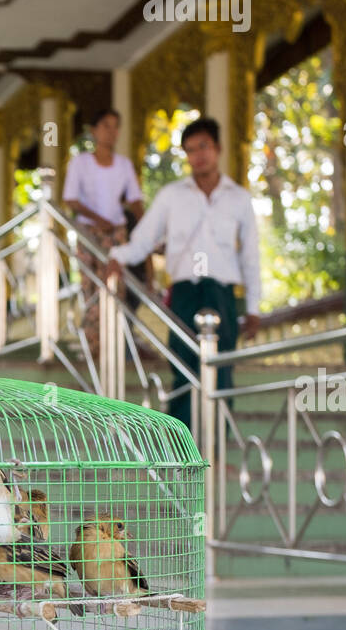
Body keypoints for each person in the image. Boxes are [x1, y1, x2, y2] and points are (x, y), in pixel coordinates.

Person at [107, 116, 261, 430]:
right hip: (184, 293)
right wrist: (116, 257)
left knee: (221, 369)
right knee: (182, 367)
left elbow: (251, 256)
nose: (198, 155)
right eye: (190, 150)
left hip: (221, 293)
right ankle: (183, 453)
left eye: (203, 146)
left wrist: (255, 308)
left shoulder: (239, 199)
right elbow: (143, 240)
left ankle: (216, 447)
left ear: (216, 148)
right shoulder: (171, 196)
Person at [63, 108, 144, 362]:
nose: (112, 131)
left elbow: (135, 201)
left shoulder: (124, 165)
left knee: (115, 290)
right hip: (89, 233)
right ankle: (94, 353)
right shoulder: (80, 162)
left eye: (115, 126)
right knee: (91, 289)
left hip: (116, 236)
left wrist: (148, 232)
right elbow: (71, 199)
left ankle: (115, 352)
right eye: (106, 125)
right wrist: (99, 221)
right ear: (94, 131)